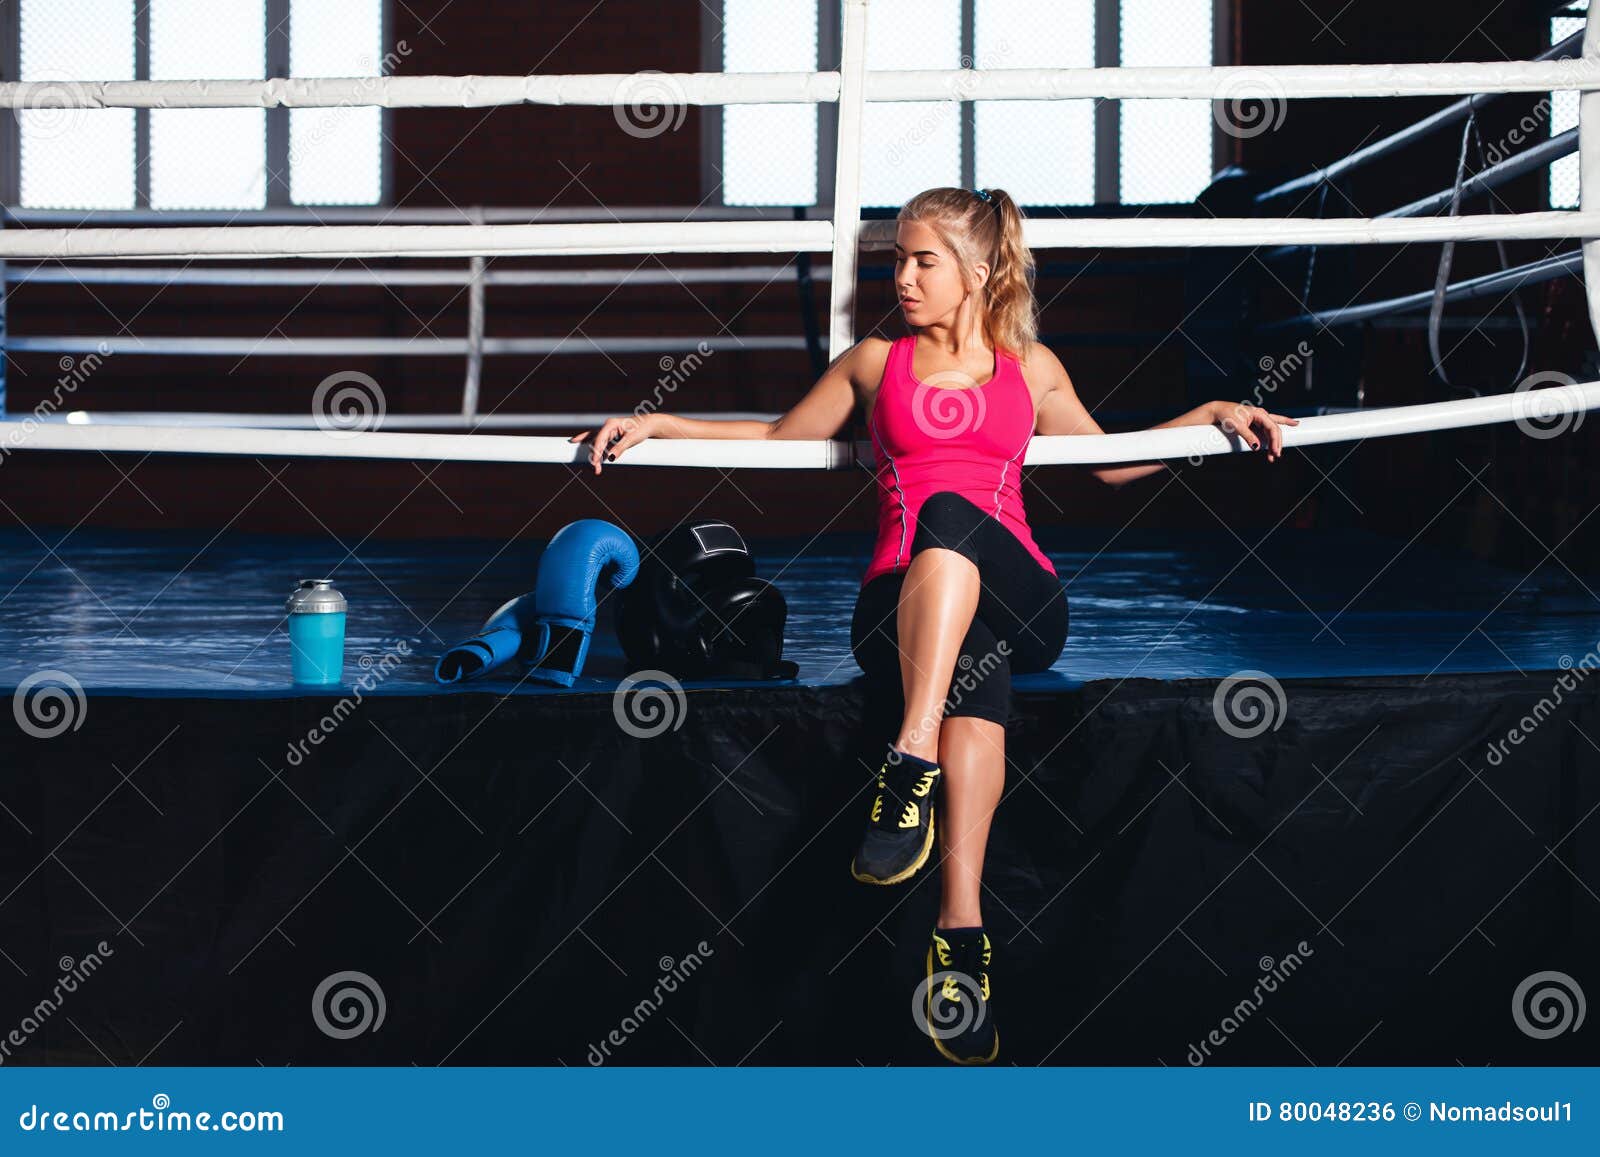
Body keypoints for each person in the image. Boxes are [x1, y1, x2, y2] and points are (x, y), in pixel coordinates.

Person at [571, 186, 1298, 1065]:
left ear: (978, 271)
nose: (902, 277)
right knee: (972, 663)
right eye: (898, 259)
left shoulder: (1031, 366)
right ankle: (961, 937)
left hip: (1026, 596)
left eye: (924, 260)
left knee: (951, 513)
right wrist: (660, 425)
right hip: (898, 606)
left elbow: (1115, 463)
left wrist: (1215, 414)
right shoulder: (876, 360)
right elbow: (776, 436)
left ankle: (907, 759)